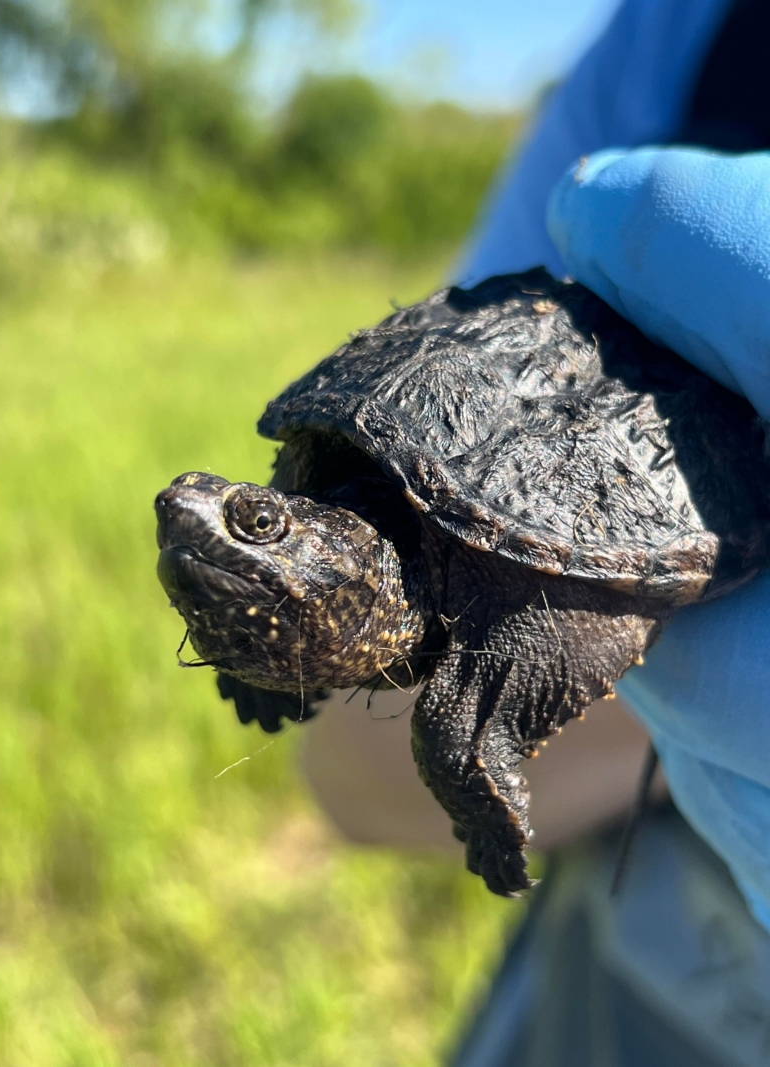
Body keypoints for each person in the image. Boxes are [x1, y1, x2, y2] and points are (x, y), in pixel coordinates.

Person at [304, 1, 770, 1062]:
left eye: (249, 520)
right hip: (660, 974)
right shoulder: (686, 38)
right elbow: (347, 764)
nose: (193, 515)